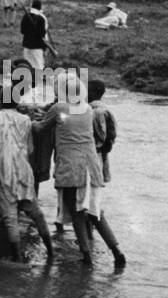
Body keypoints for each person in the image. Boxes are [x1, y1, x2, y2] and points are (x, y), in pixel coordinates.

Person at [32, 74, 125, 268]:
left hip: (71, 168)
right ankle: (116, 251)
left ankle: (87, 256)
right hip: (92, 166)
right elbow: (66, 120)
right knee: (95, 212)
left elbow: (41, 128)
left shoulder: (58, 108)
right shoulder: (87, 109)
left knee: (76, 214)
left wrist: (26, 121)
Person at [0, 90, 54, 263]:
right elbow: (31, 149)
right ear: (17, 103)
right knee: (35, 212)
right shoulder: (25, 120)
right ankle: (51, 251)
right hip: (23, 169)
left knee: (10, 216)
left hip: (3, 170)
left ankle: (16, 257)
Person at [87, 79, 116, 184]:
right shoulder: (105, 109)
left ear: (91, 93)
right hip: (101, 151)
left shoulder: (95, 111)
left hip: (94, 151)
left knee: (93, 182)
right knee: (97, 181)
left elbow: (101, 135)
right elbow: (111, 134)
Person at [20, 0, 51, 70]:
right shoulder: (42, 18)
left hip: (26, 45)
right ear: (40, 7)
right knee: (39, 67)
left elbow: (22, 31)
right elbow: (43, 34)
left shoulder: (25, 16)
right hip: (37, 46)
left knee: (27, 68)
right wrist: (46, 47)